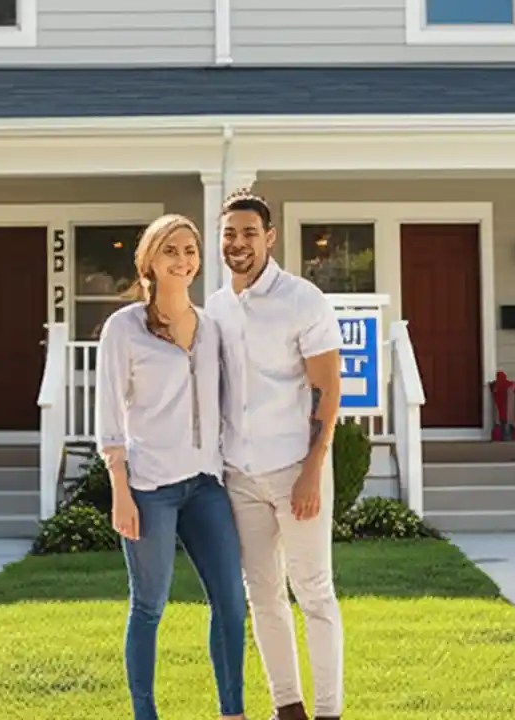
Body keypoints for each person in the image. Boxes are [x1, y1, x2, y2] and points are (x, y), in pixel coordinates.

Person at [95, 214, 248, 720]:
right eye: (171, 251)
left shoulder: (212, 328)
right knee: (149, 605)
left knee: (231, 601)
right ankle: (145, 713)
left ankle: (233, 711)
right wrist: (120, 489)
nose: (182, 260)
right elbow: (109, 416)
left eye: (189, 250)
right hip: (149, 487)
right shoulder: (124, 329)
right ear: (150, 261)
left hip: (205, 485)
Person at [208, 190, 345, 720]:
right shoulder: (216, 308)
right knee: (262, 594)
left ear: (269, 237)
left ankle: (329, 711)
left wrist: (312, 470)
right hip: (240, 475)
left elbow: (327, 391)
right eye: (229, 233)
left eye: (249, 233)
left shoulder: (303, 300)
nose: (238, 243)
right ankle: (287, 707)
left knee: (313, 592)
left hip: (295, 468)